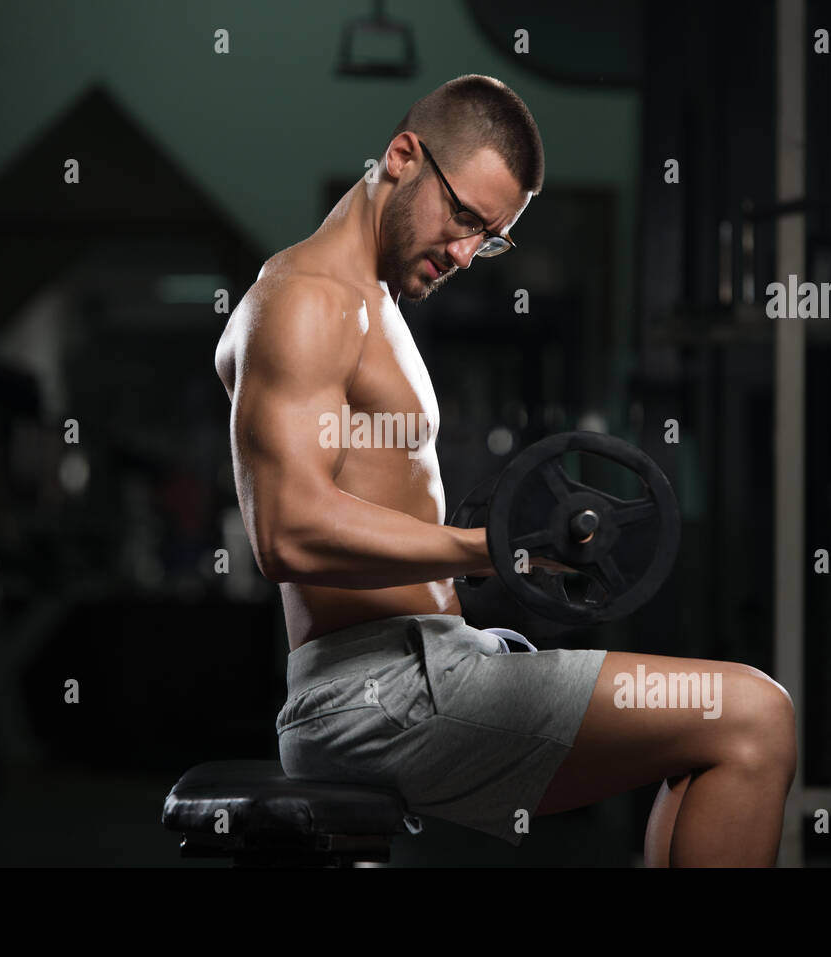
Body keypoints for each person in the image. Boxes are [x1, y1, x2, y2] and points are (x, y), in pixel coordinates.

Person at [213, 74, 795, 865]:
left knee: (704, 739)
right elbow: (286, 532)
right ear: (403, 156)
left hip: (431, 664)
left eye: (488, 238)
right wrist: (489, 548)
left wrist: (497, 552)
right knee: (756, 715)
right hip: (376, 693)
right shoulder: (307, 300)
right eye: (463, 217)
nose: (464, 254)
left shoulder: (372, 301)